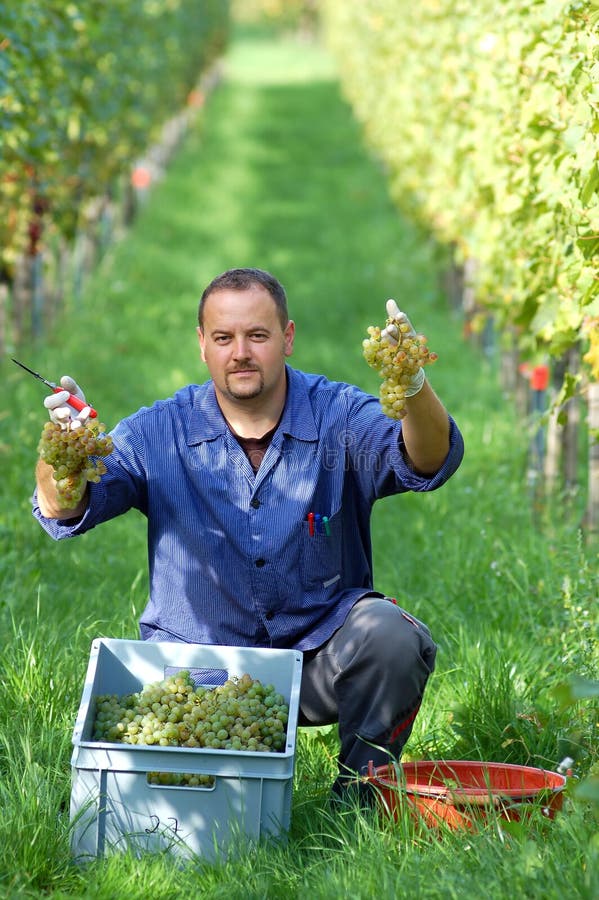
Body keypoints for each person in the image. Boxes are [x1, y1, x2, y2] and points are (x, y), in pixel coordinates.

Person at [34, 267, 464, 803]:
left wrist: (413, 386)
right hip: (199, 678)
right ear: (202, 344)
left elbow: (429, 460)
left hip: (318, 662)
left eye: (257, 335)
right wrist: (63, 449)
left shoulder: (337, 417)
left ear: (287, 337)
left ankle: (360, 801)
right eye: (224, 338)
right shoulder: (159, 431)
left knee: (392, 637)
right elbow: (64, 507)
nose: (240, 353)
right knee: (196, 806)